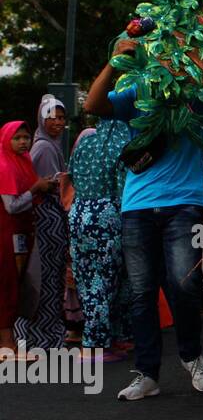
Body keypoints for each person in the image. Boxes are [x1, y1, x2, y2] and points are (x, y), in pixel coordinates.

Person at [85, 39, 203, 400]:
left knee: (185, 284)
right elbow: (93, 105)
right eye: (157, 50)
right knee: (142, 294)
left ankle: (192, 357)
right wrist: (116, 61)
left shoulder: (199, 95)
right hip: (137, 207)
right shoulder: (136, 92)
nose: (164, 58)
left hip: (185, 204)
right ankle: (147, 374)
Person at [67, 122, 132, 359]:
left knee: (86, 279)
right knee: (105, 281)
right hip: (107, 214)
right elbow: (124, 187)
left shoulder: (84, 141)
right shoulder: (120, 144)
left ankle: (98, 339)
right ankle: (96, 344)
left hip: (80, 211)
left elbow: (71, 174)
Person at [19, 96, 70, 349]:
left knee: (49, 277)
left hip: (47, 220)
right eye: (53, 117)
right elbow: (48, 187)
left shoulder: (49, 145)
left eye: (62, 118)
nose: (58, 123)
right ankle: (44, 335)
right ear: (42, 118)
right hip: (47, 220)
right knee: (48, 278)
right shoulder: (45, 148)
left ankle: (43, 334)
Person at [1, 122, 51, 360]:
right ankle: (6, 344)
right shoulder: (4, 165)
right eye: (17, 138)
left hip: (20, 232)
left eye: (26, 137)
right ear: (6, 140)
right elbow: (12, 205)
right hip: (6, 233)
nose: (23, 142)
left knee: (17, 285)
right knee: (7, 285)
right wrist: (36, 188)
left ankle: (9, 343)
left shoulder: (21, 162)